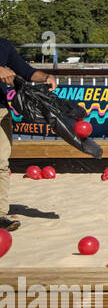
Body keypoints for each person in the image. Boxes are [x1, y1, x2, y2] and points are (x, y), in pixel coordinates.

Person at [1, 38, 57, 232]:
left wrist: (45, 77)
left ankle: (0, 215)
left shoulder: (4, 45)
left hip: (0, 110)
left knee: (0, 164)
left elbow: (26, 71)